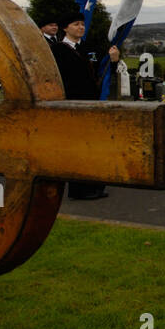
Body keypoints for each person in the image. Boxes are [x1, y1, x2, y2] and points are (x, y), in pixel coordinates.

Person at [51, 11, 115, 200]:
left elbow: (99, 72)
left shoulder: (88, 48)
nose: (80, 27)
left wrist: (113, 60)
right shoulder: (58, 50)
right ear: (65, 28)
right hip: (72, 103)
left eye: (82, 24)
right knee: (78, 148)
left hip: (91, 101)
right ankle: (78, 189)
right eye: (76, 24)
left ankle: (93, 185)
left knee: (92, 146)